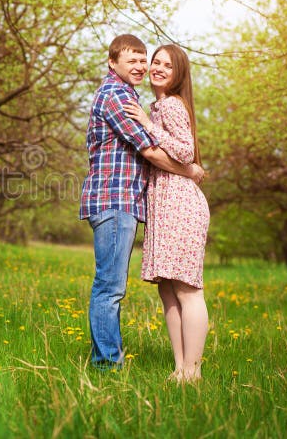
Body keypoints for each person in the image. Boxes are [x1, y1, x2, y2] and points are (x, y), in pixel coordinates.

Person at [80, 34, 204, 371]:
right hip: (114, 199)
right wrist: (190, 171)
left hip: (125, 201)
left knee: (120, 287)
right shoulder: (117, 96)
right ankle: (107, 365)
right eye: (131, 60)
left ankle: (184, 370)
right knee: (110, 288)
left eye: (142, 60)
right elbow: (149, 151)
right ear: (112, 62)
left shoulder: (137, 98)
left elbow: (173, 145)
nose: (141, 66)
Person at [124, 44, 210, 383]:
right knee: (168, 290)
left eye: (167, 65)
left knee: (187, 289)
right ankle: (180, 368)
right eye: (155, 62)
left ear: (178, 74)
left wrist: (148, 123)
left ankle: (193, 370)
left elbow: (186, 151)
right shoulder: (158, 106)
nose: (158, 68)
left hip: (181, 205)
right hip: (164, 205)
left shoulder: (171, 105)